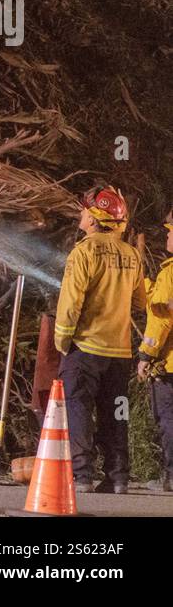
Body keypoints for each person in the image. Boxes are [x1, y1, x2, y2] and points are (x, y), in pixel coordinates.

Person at [54, 184, 146, 495]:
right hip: (119, 351)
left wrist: (62, 341)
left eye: (84, 209)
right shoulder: (132, 255)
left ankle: (82, 476)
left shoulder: (83, 252)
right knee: (115, 413)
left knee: (78, 408)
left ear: (94, 219)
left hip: (85, 348)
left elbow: (70, 303)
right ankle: (118, 477)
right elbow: (139, 303)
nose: (80, 213)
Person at [138, 210, 173, 492]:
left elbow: (161, 318)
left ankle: (172, 476)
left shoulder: (170, 272)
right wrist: (146, 287)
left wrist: (146, 355)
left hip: (170, 365)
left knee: (169, 419)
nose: (168, 236)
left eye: (171, 231)